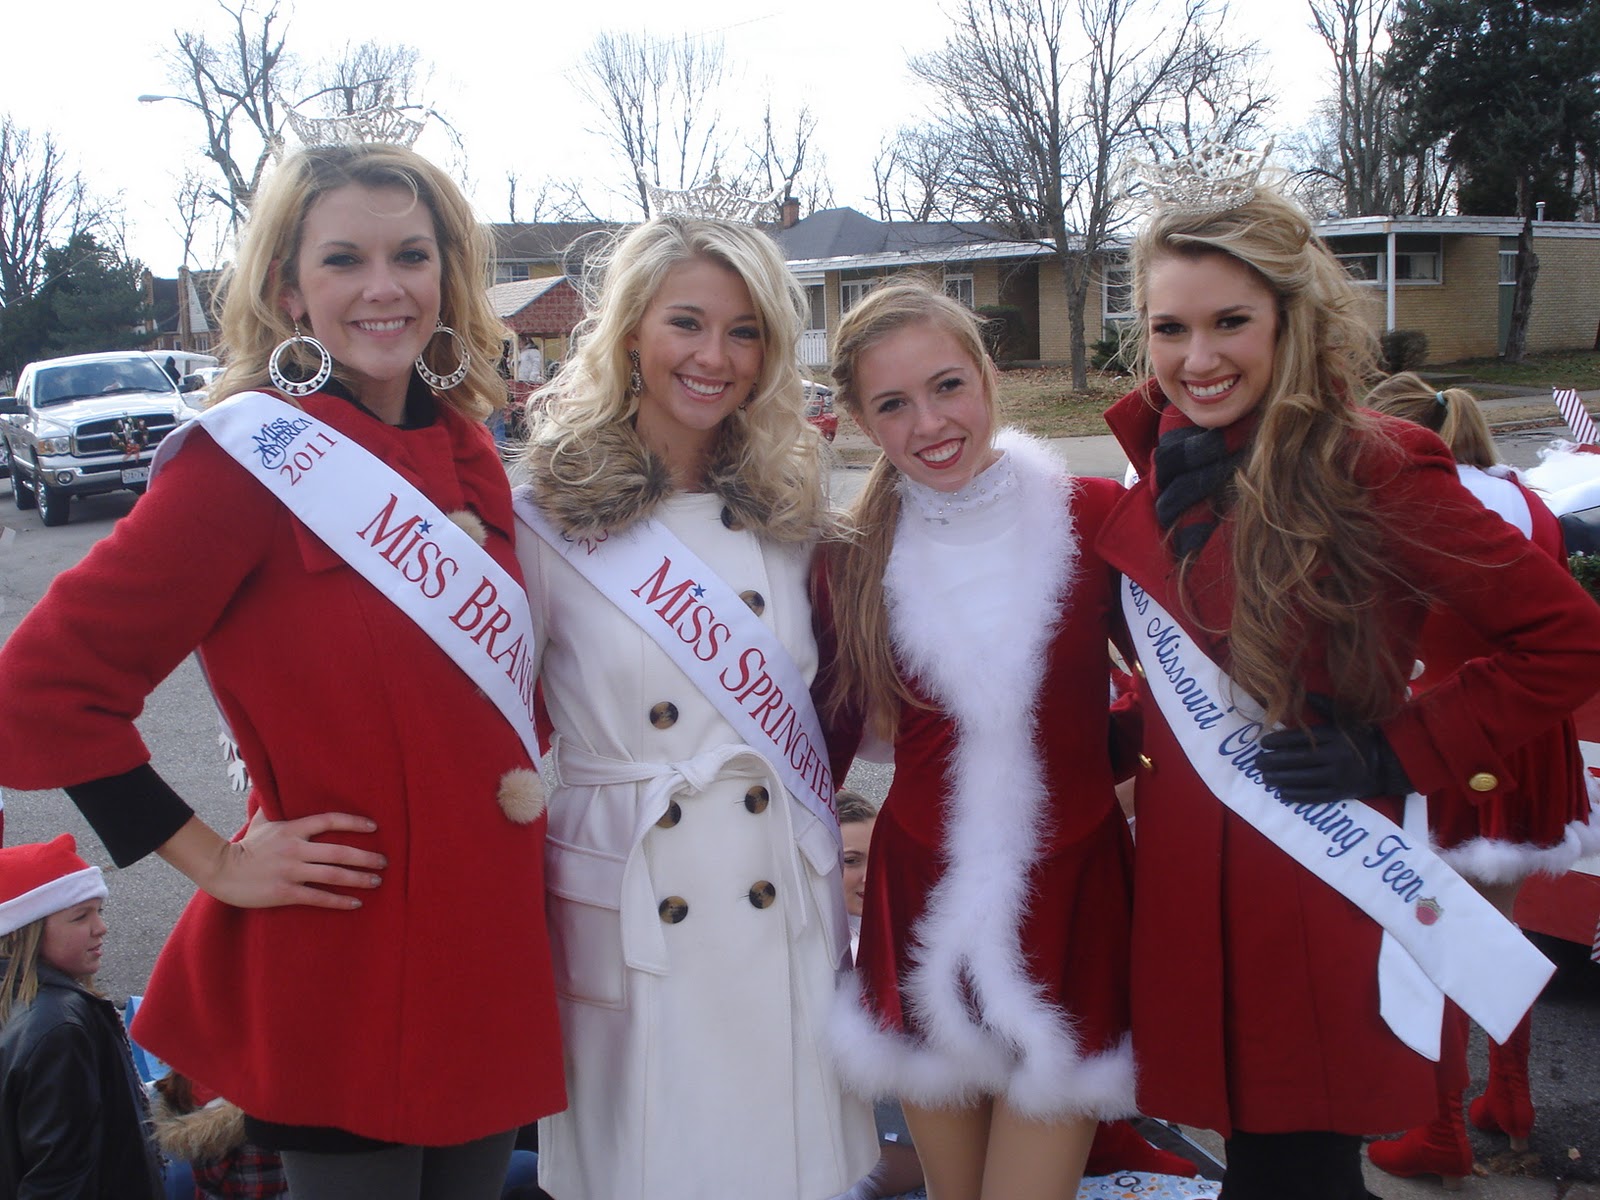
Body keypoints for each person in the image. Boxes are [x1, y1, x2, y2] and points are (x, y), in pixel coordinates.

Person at [0, 143, 564, 1198]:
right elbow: (38, 691)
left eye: (411, 254)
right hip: (344, 956)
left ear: (448, 274)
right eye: (344, 259)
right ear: (287, 290)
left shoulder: (468, 448)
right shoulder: (244, 465)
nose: (384, 287)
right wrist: (216, 862)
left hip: (487, 951)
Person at [1096, 161, 1600, 1199]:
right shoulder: (1165, 466)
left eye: (1228, 322)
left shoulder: (1369, 465)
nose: (1194, 358)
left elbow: (1568, 639)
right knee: (1252, 1165)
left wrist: (1396, 750)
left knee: (1297, 1175)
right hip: (1191, 885)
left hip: (1315, 880)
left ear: (1289, 319)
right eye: (1167, 328)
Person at [512, 214, 875, 1200]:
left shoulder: (789, 506)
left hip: (777, 898)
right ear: (630, 331)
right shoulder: (540, 513)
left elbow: (848, 704)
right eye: (687, 322)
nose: (715, 357)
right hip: (637, 910)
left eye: (745, 329)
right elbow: (485, 720)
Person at [817, 281, 1137, 1200]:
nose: (930, 422)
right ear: (862, 421)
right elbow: (813, 734)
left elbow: (1183, 691)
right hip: (920, 911)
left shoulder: (1093, 516)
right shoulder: (852, 553)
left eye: (948, 384)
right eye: (892, 404)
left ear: (989, 374)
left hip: (1072, 895)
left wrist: (1104, 756)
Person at [1360, 372, 1600, 1186]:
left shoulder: (1399, 507)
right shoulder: (1525, 500)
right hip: (1533, 739)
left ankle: (1438, 1131)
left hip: (1449, 736)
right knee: (1499, 932)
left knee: (1439, 942)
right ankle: (1508, 1097)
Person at [0, 834, 164, 1198]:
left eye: (98, 912)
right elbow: (60, 1176)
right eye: (80, 916)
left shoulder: (17, 1006)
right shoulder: (60, 1026)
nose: (100, 928)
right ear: (27, 930)